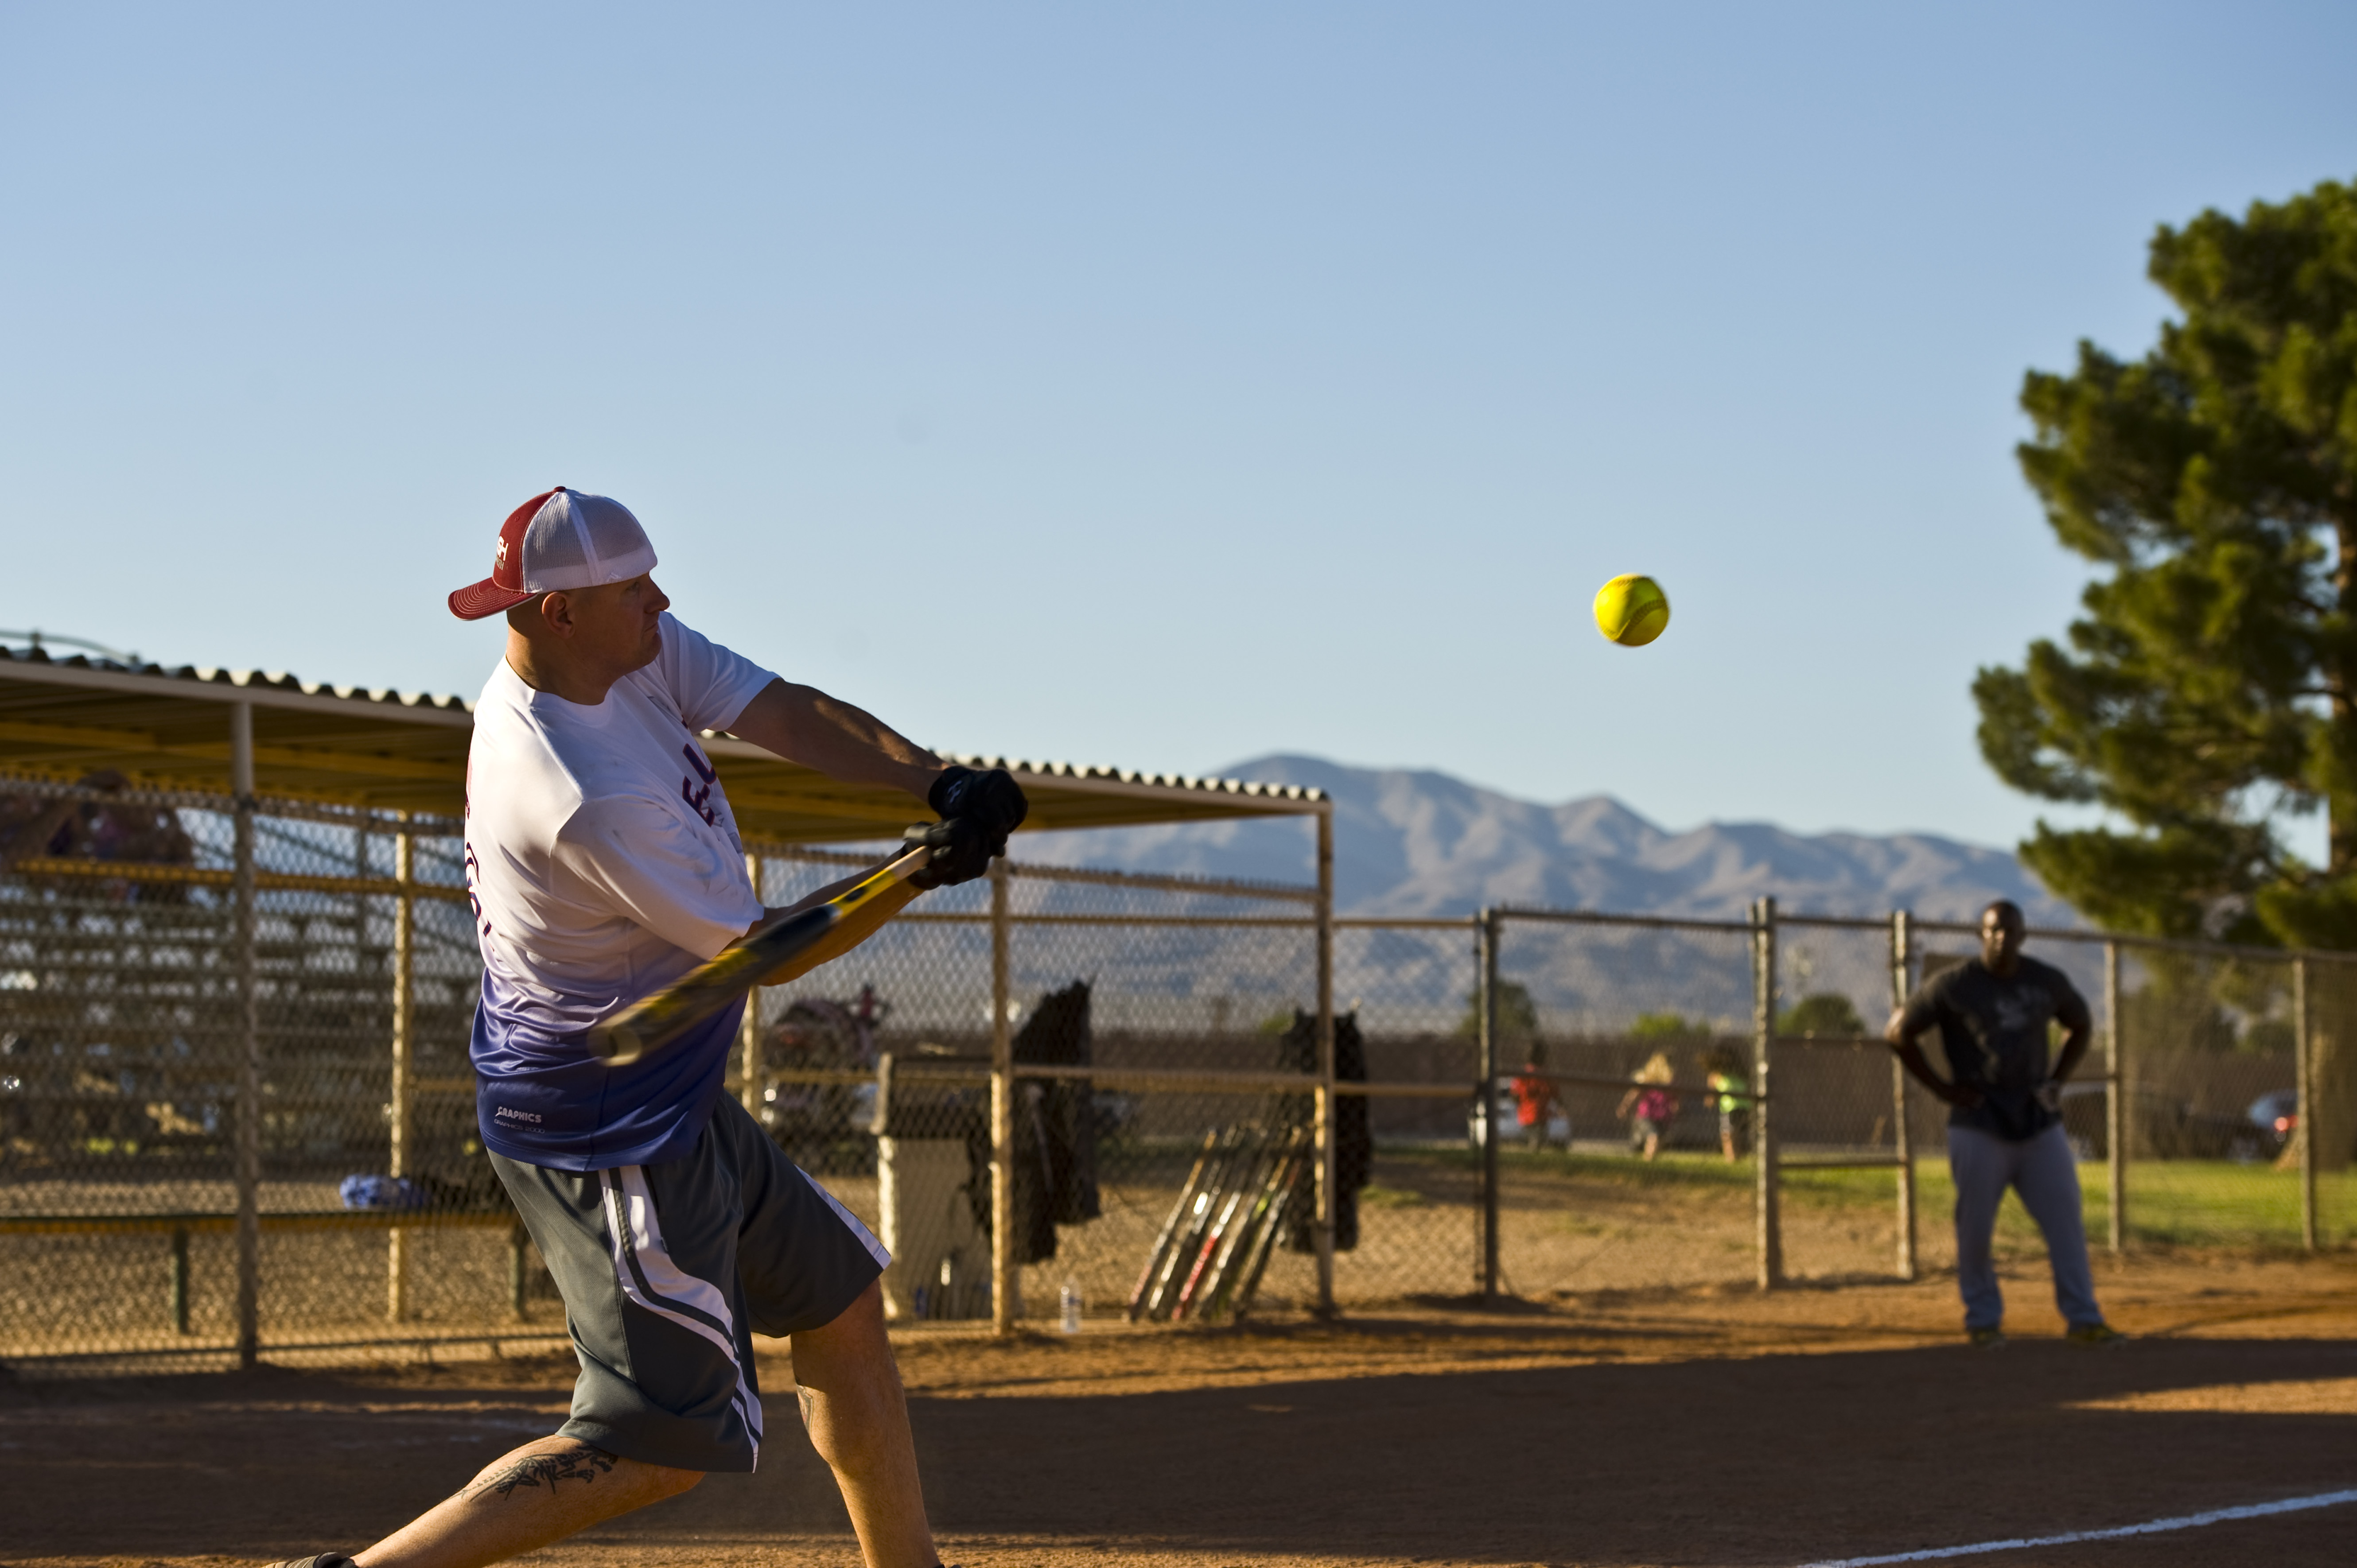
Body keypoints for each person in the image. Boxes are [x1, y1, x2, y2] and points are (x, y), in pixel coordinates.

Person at [270, 488, 1023, 1568]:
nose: (661, 601)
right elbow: (765, 951)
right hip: (603, 1122)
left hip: (670, 1090)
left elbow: (781, 708)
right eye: (635, 589)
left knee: (844, 1307)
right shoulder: (578, 787)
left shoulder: (629, 655)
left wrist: (934, 779)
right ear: (557, 613)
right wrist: (917, 871)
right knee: (654, 1439)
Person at [1885, 899, 2125, 1350]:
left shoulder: (2043, 980)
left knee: (2066, 1224)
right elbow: (1898, 1033)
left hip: (2038, 1124)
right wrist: (1942, 1089)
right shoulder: (1955, 985)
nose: (2001, 939)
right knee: (1975, 1228)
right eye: (1993, 931)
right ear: (1981, 935)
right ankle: (1983, 1320)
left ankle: (2083, 1318)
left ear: (2022, 936)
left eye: (2009, 931)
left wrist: (2055, 1081)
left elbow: (2080, 1022)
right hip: (1978, 1124)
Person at [1616, 1051, 1678, 1161]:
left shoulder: (1670, 1083)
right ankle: (1648, 1164)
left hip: (1663, 1117)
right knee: (1654, 1138)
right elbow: (1634, 1094)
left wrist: (1676, 1109)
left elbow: (1675, 1099)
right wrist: (1624, 1107)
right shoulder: (1647, 1079)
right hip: (1647, 1116)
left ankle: (1652, 1164)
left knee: (1660, 1141)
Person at [1701, 1044, 1751, 1163]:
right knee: (1735, 1134)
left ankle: (1731, 1158)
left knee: (1728, 1134)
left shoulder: (1717, 1076)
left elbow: (1712, 1095)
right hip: (1745, 1107)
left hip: (1732, 1107)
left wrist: (1710, 1100)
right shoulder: (1740, 1073)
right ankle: (1736, 1157)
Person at [1509, 1046, 1564, 1150]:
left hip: (1526, 1116)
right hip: (1539, 1115)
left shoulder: (1524, 1074)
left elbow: (1514, 1094)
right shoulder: (1544, 1074)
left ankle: (1532, 1150)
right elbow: (1555, 1093)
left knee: (1535, 1141)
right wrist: (1561, 1105)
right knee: (1536, 1141)